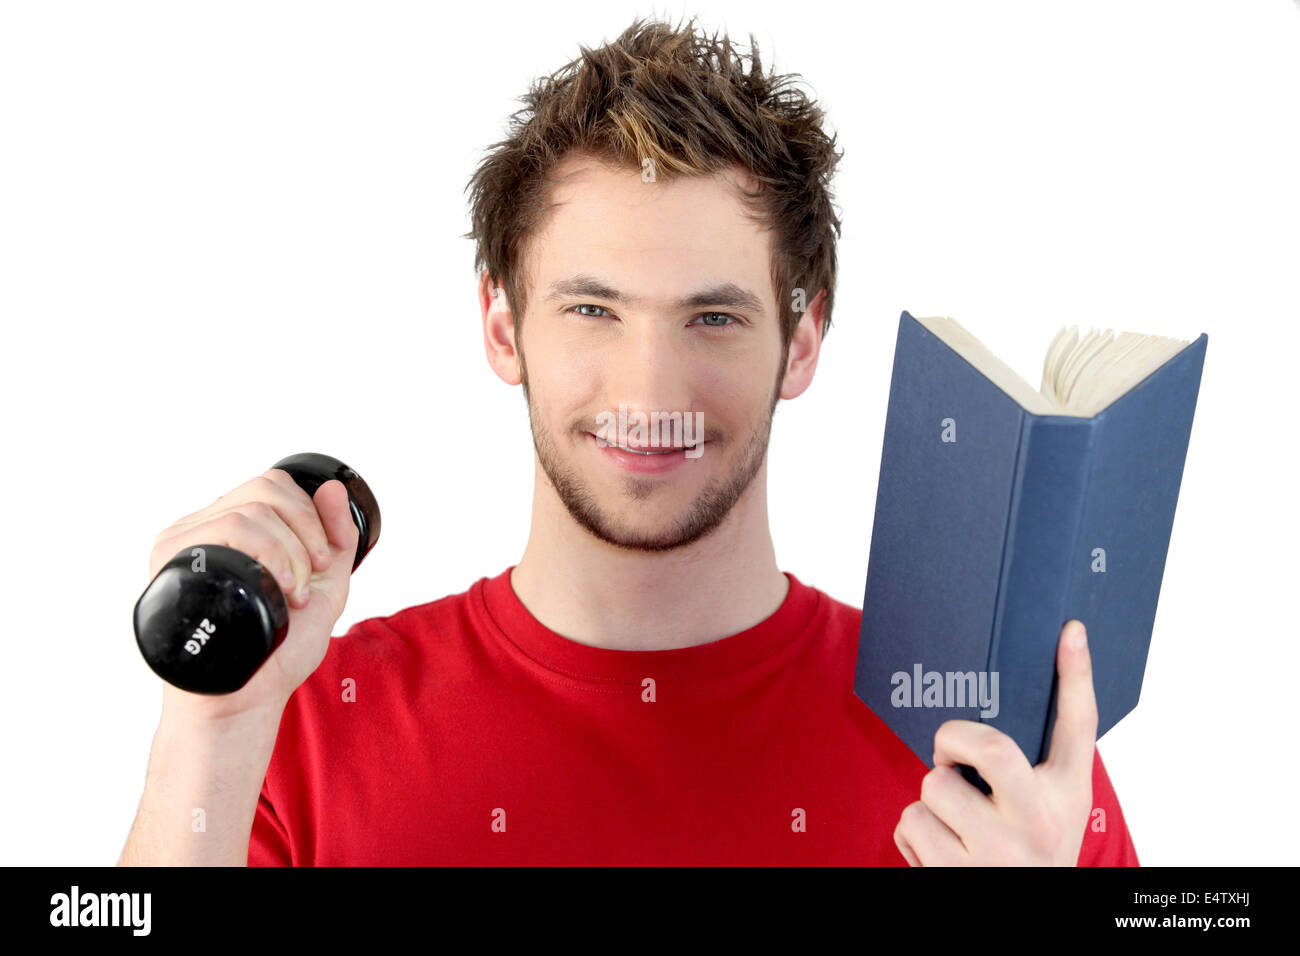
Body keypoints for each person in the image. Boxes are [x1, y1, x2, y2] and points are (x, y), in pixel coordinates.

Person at [120, 15, 1138, 866]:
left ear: (804, 340)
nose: (647, 388)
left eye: (712, 318)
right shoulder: (296, 720)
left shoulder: (997, 760)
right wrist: (208, 728)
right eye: (593, 309)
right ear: (501, 325)